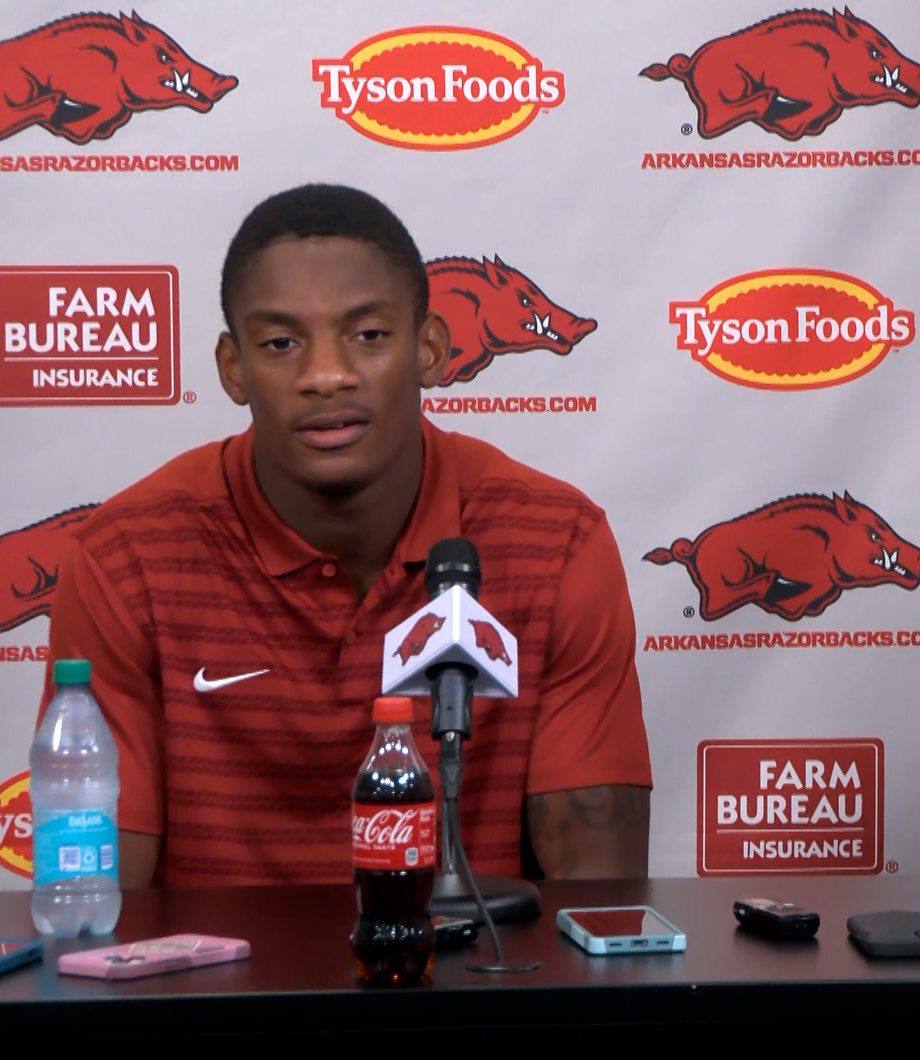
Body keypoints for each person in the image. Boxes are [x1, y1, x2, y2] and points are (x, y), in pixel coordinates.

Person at [43, 184, 651, 887]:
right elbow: (93, 906)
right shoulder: (125, 559)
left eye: (369, 336)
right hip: (216, 966)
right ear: (233, 369)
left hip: (470, 961)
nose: (326, 375)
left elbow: (597, 905)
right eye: (281, 343)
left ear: (430, 349)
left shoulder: (555, 543)